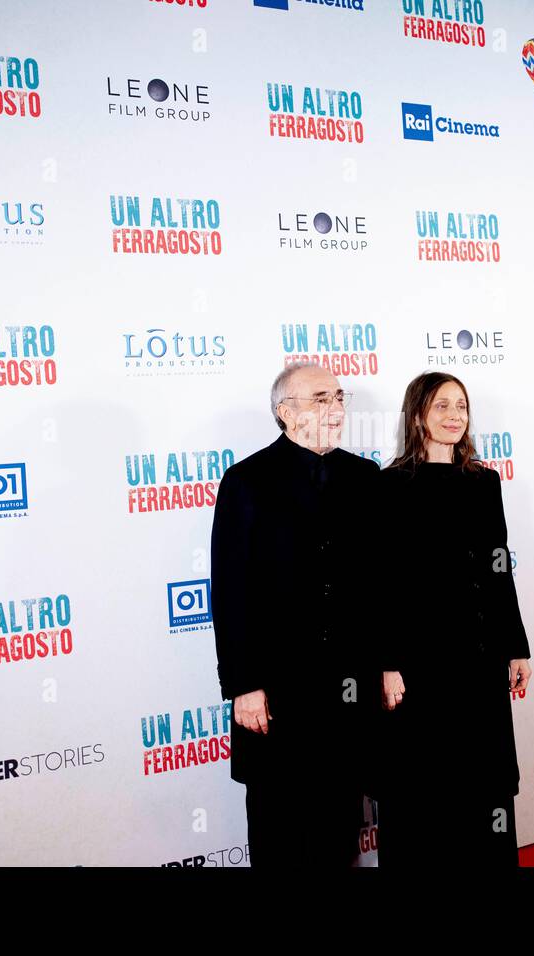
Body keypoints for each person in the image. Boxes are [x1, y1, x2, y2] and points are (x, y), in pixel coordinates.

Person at [211, 361, 379, 867]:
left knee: (337, 833)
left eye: (339, 397)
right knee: (279, 833)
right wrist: (244, 685)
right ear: (286, 413)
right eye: (320, 399)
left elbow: (377, 583)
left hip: (346, 696)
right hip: (276, 697)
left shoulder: (363, 477)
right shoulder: (246, 481)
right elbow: (231, 591)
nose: (336, 409)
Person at [376, 372, 532, 867]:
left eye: (461, 407)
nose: (453, 416)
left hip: (479, 661)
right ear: (418, 413)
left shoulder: (484, 482)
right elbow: (378, 584)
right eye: (442, 405)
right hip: (418, 667)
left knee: (485, 788)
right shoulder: (389, 486)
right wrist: (387, 662)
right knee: (420, 791)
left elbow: (498, 566)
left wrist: (515, 645)